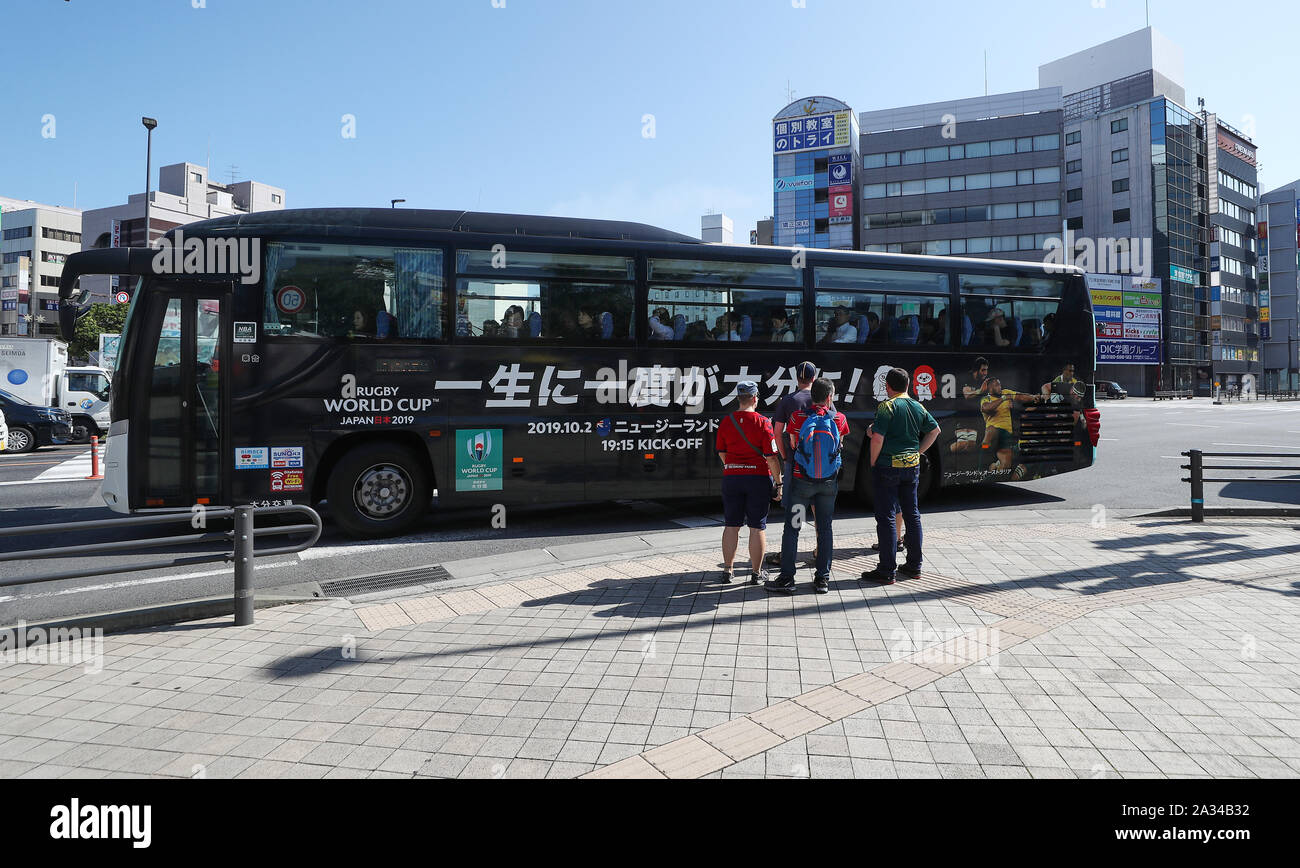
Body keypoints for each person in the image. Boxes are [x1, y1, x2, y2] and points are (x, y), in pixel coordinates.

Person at [766, 378, 849, 596]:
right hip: (828, 485)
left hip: (802, 484)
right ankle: (822, 579)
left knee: (793, 528)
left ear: (812, 396)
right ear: (830, 397)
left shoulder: (797, 417)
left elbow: (794, 444)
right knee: (825, 529)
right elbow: (839, 446)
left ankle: (787, 579)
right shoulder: (840, 419)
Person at [861, 368, 941, 586]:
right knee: (912, 514)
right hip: (912, 468)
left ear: (888, 386)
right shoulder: (917, 406)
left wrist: (873, 462)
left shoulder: (887, 407)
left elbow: (877, 438)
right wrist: (919, 452)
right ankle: (914, 566)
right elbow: (935, 431)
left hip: (888, 467)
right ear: (908, 386)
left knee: (886, 517)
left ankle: (887, 570)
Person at [763, 362, 831, 569]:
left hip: (797, 466)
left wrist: (785, 457)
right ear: (814, 377)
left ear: (796, 377)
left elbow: (777, 433)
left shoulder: (788, 401)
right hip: (822, 468)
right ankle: (821, 553)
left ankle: (789, 554)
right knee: (820, 512)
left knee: (796, 513)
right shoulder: (823, 399)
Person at [714, 382, 783, 585]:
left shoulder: (726, 422)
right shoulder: (763, 422)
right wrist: (778, 484)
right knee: (757, 527)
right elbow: (771, 458)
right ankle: (756, 573)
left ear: (738, 398)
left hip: (732, 478)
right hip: (758, 479)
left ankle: (728, 571)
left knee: (731, 525)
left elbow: (721, 452)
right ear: (755, 398)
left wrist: (735, 466)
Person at [980, 377, 1042, 471]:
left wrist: (1033, 397)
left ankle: (994, 467)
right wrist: (1004, 398)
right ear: (990, 388)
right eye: (997, 385)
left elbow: (1020, 396)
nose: (1000, 387)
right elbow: (987, 408)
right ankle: (980, 468)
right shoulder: (986, 399)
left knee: (1005, 466)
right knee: (991, 431)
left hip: (1006, 435)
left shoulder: (1006, 392)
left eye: (1000, 385)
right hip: (994, 434)